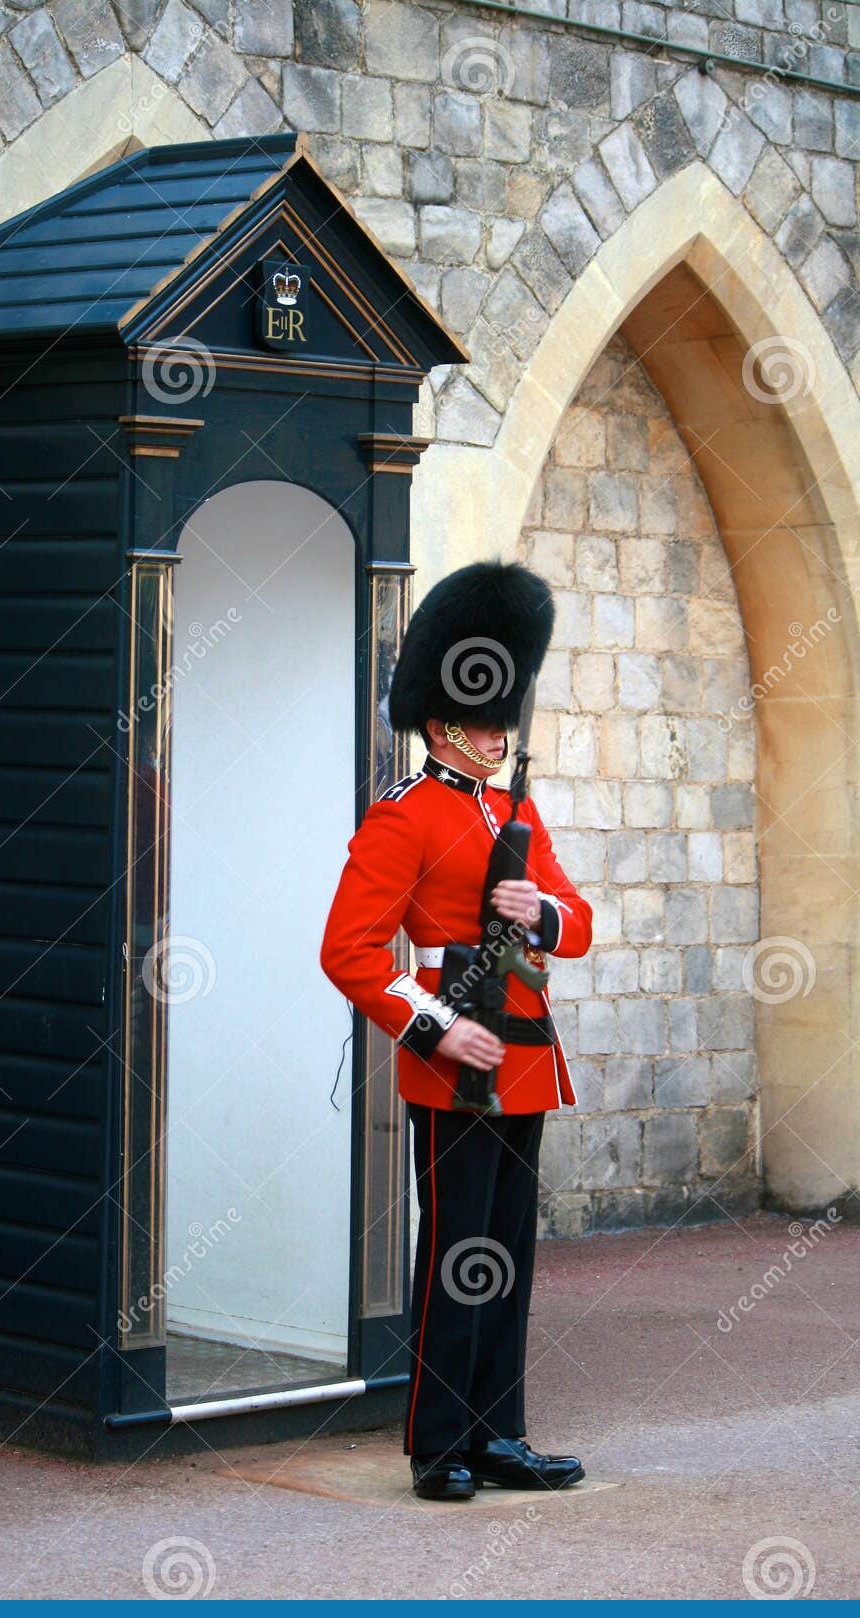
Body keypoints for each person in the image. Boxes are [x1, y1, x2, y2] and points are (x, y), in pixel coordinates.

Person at [320, 559, 593, 1500]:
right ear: (441, 721)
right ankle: (440, 1444)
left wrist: (540, 910)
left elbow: (578, 919)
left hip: (523, 1061)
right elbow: (349, 952)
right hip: (453, 1067)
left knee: (508, 1253)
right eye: (483, 719)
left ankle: (498, 1434)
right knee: (455, 1255)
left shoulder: (516, 808)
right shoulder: (405, 816)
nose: (495, 733)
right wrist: (435, 1029)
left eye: (500, 718)